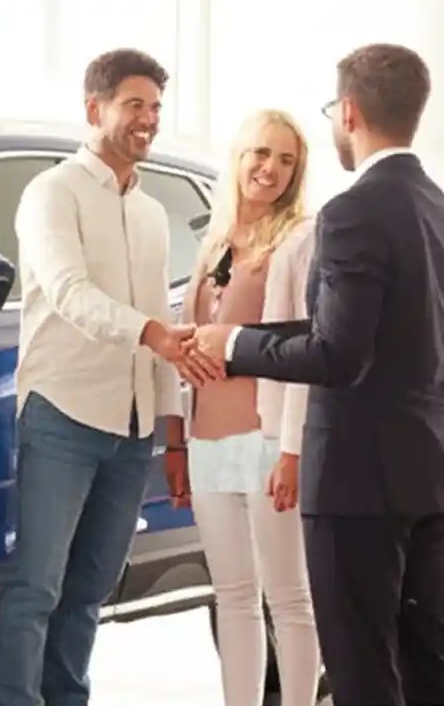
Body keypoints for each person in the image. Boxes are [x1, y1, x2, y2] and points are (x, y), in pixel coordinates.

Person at [189, 43, 444, 706]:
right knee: (423, 669)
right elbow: (363, 334)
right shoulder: (435, 208)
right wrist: (239, 340)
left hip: (358, 483)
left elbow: (337, 354)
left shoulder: (351, 212)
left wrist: (234, 345)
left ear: (349, 113)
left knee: (362, 673)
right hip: (425, 474)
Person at [0, 47, 203, 706]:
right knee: (36, 588)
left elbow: (160, 316)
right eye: (134, 105)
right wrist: (151, 333)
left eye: (156, 107)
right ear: (95, 109)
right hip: (63, 413)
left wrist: (173, 433)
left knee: (89, 591)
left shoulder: (150, 212)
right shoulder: (52, 193)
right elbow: (67, 291)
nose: (149, 119)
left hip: (132, 428)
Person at [174, 108, 322, 706]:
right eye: (261, 153)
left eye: (286, 160)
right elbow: (190, 342)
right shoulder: (215, 242)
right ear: (238, 156)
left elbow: (309, 349)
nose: (270, 169)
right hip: (209, 441)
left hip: (267, 441)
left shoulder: (300, 240)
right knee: (233, 596)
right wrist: (178, 439)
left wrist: (293, 451)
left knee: (289, 597)